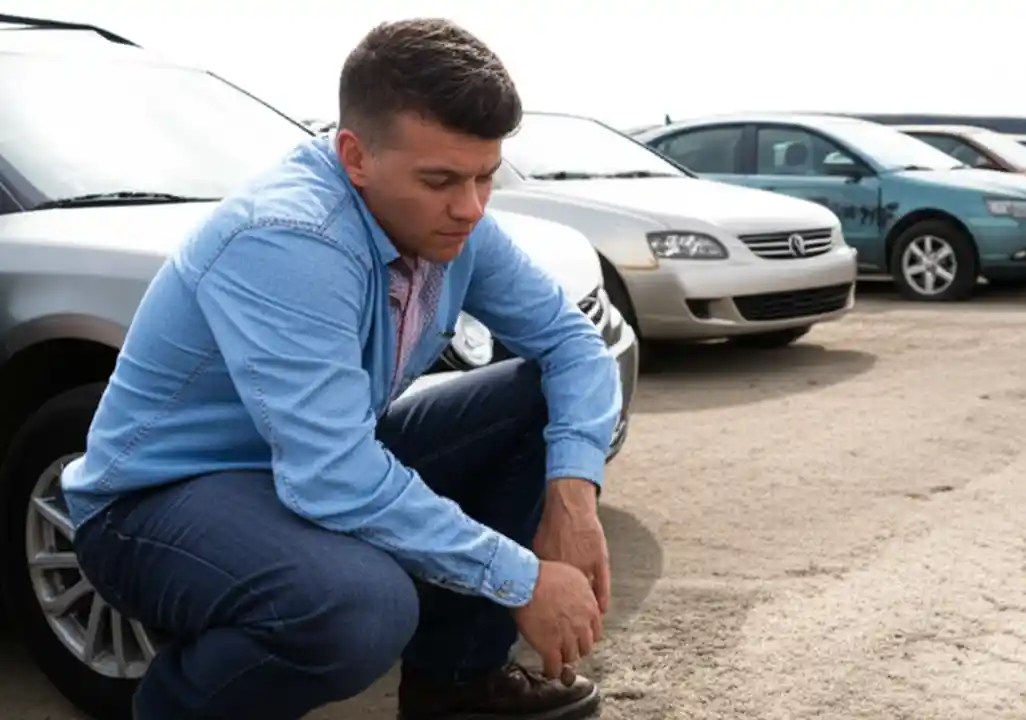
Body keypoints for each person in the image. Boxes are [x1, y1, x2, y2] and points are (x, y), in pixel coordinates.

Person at [61, 17, 621, 720]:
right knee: (359, 607)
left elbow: (573, 347)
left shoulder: (451, 222)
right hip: (156, 502)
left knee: (537, 403)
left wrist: (574, 500)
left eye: (485, 177)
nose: (471, 207)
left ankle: (456, 685)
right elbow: (330, 476)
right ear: (355, 156)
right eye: (442, 179)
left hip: (311, 464)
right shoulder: (290, 237)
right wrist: (520, 579)